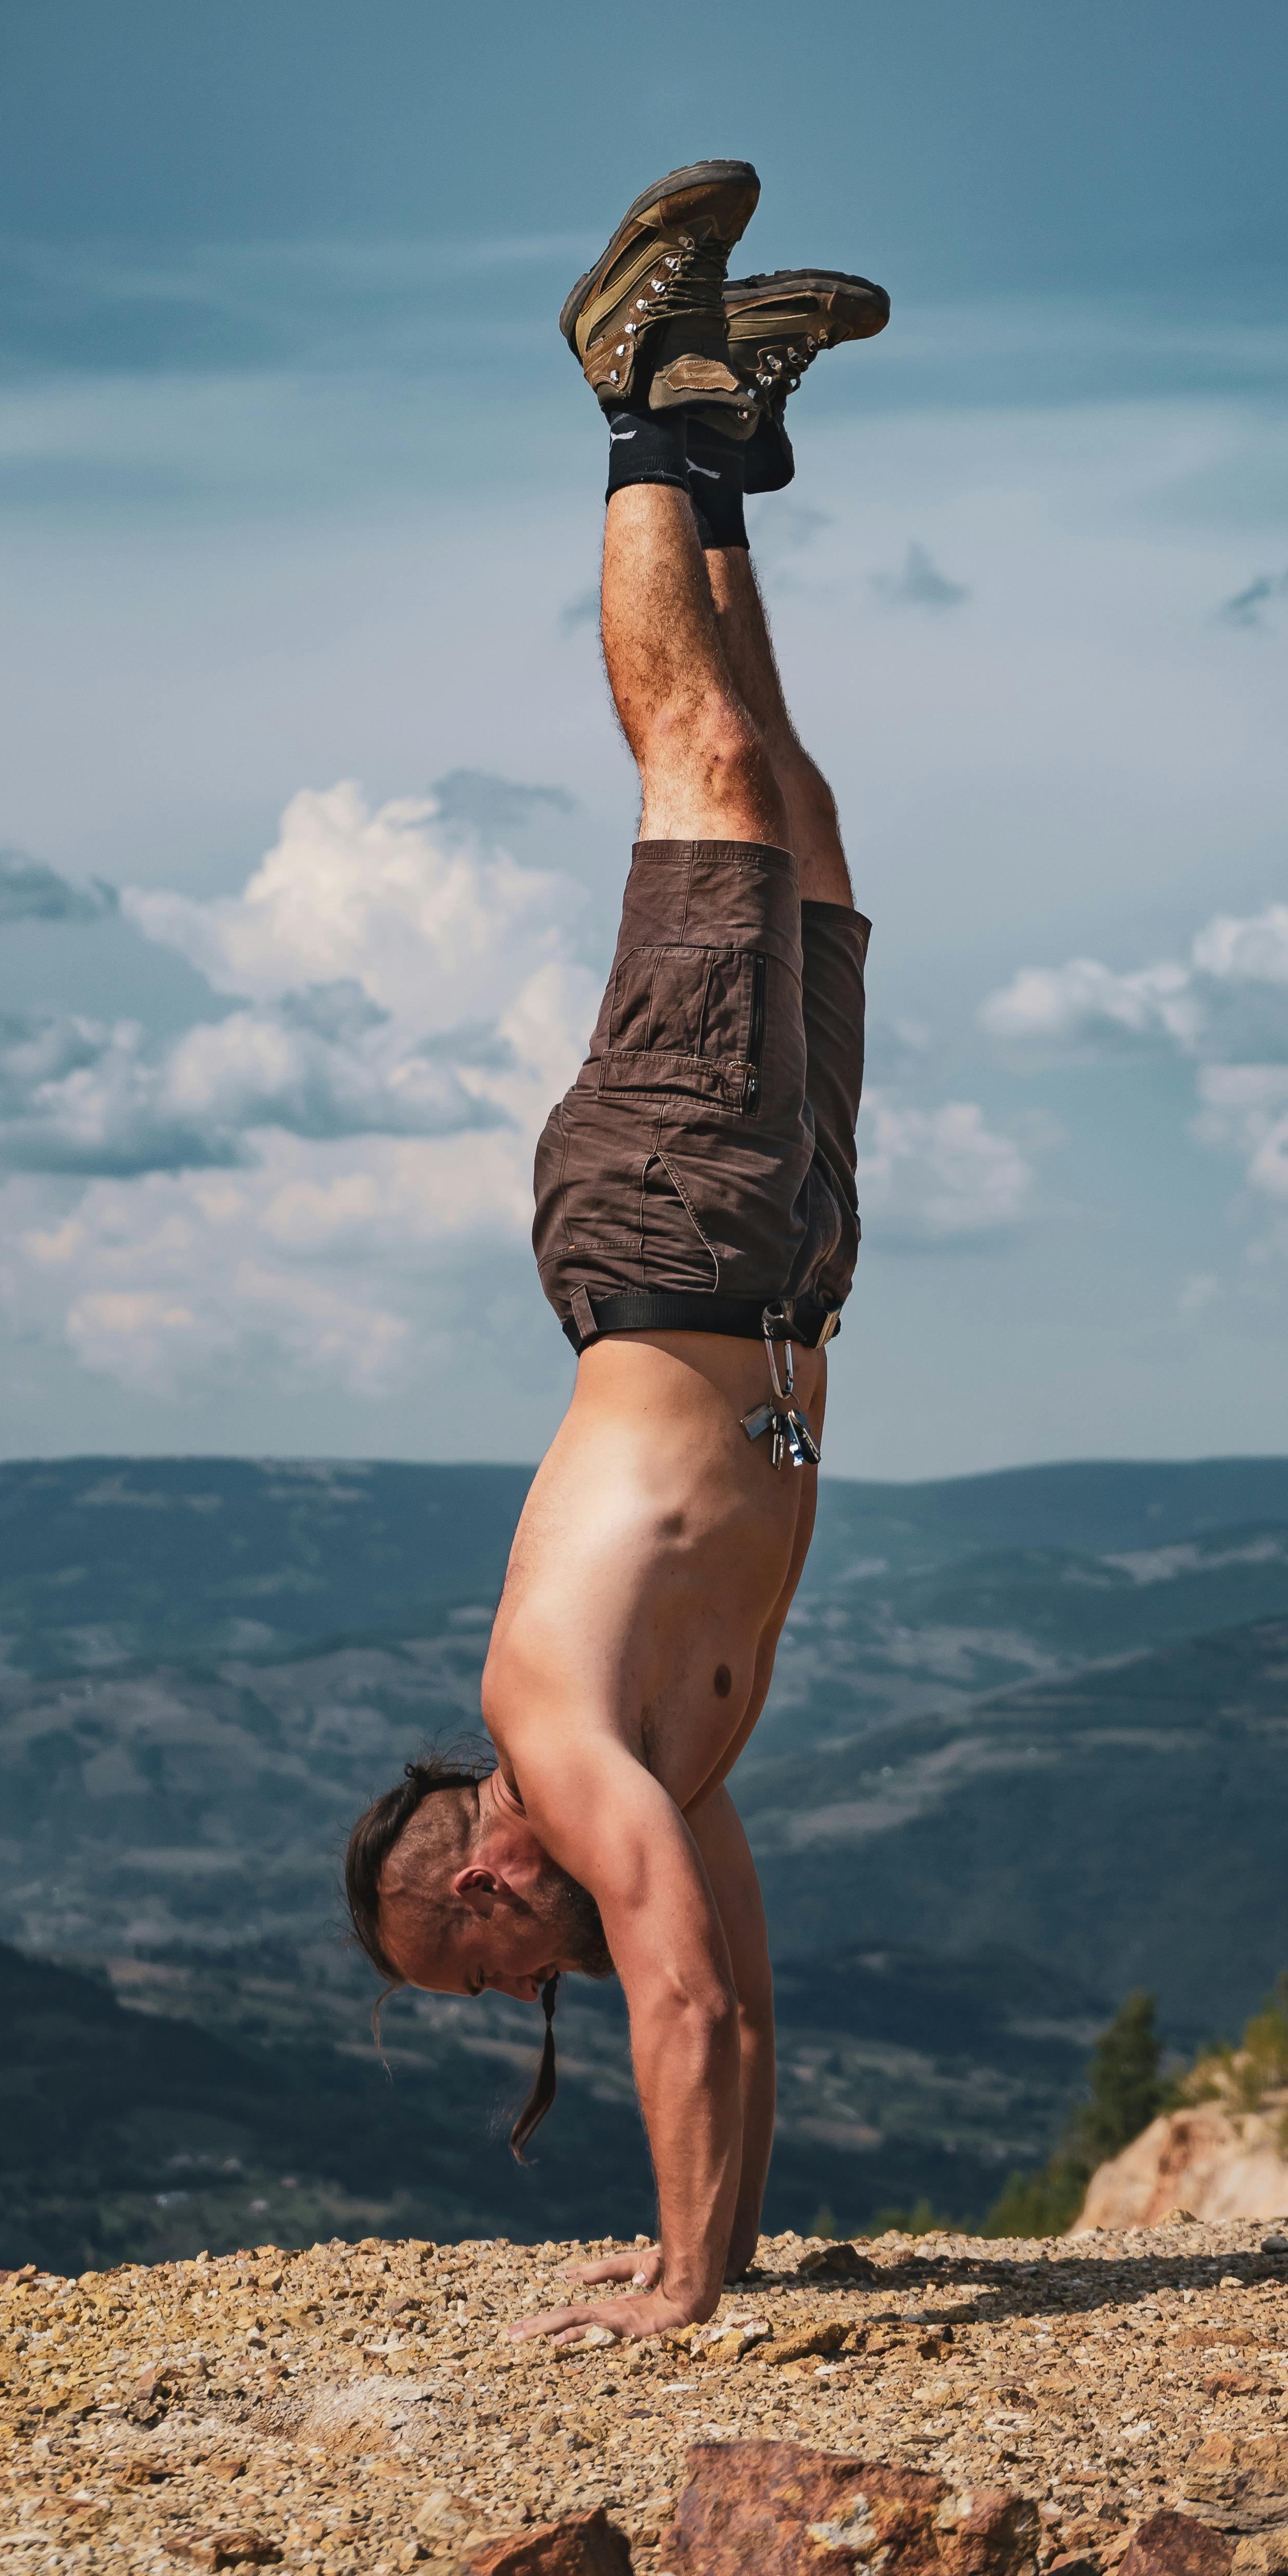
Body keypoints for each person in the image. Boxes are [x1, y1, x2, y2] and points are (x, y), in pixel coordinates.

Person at [343, 161, 889, 2345]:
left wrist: (667, 2302)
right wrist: (712, 2262)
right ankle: (725, 448)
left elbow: (662, 1983)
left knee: (703, 765)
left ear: (481, 1875)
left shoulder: (560, 1740)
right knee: (807, 827)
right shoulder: (666, 1774)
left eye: (480, 1968)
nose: (520, 1985)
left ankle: (628, 406)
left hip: (671, 1227)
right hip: (780, 1257)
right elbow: (734, 2012)